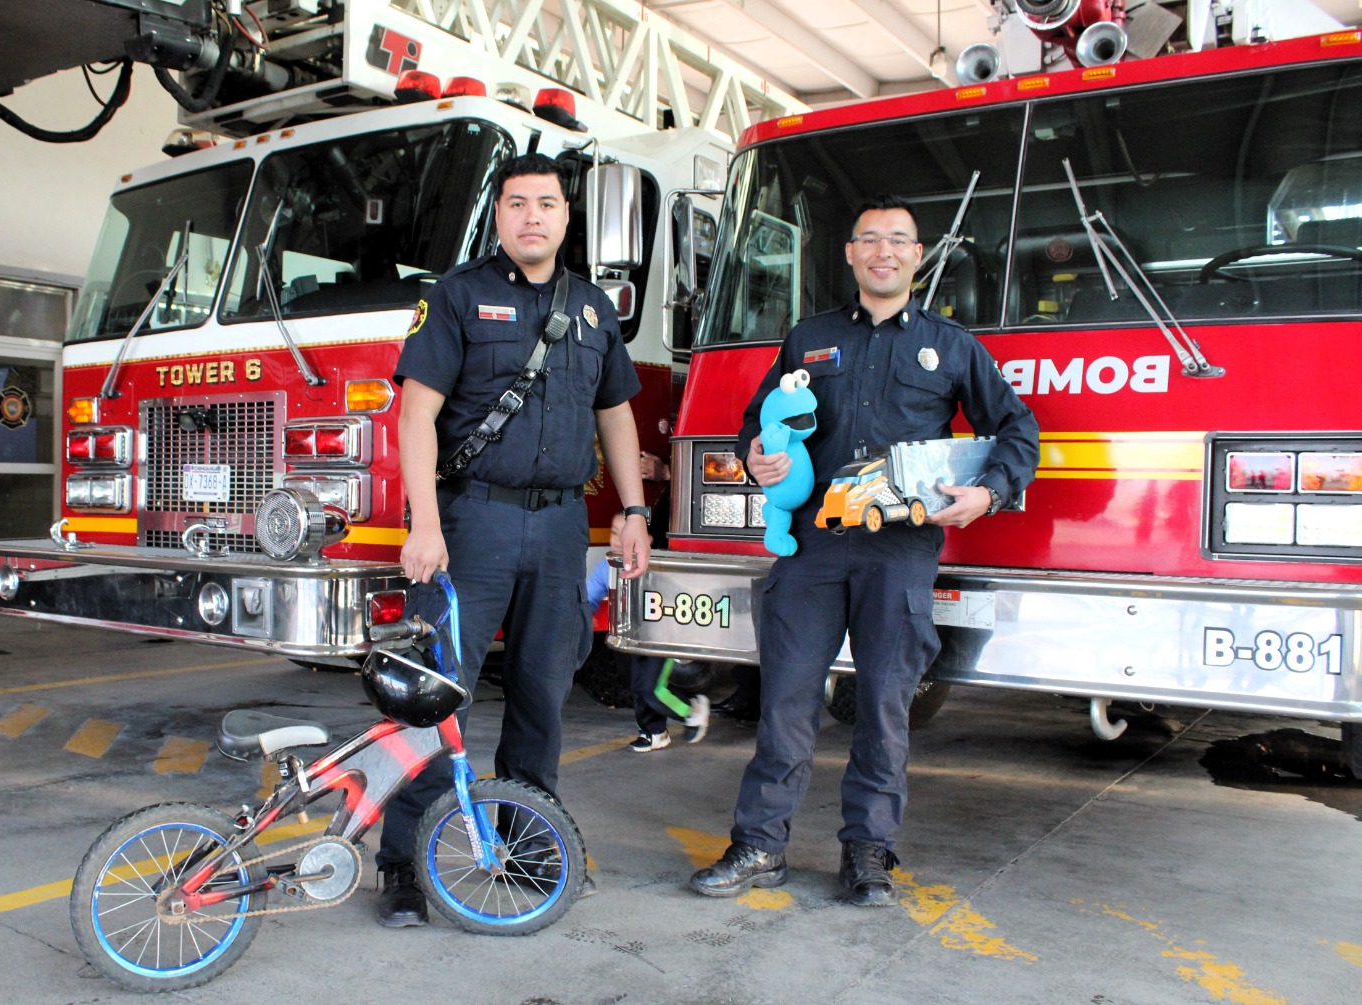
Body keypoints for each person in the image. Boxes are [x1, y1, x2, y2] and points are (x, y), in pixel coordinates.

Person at [688, 194, 1039, 907]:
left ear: (918, 256)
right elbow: (759, 420)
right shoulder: (809, 338)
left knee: (883, 705)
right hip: (812, 546)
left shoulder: (950, 345)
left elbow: (1017, 428)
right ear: (849, 253)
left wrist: (989, 492)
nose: (884, 251)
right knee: (786, 702)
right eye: (870, 239)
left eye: (899, 240)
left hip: (899, 552)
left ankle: (868, 851)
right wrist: (755, 455)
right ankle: (760, 844)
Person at [377, 152, 653, 927]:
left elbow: (616, 414)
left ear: (567, 216)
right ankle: (403, 861)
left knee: (541, 694)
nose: (533, 216)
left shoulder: (593, 308)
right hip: (474, 522)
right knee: (436, 694)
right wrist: (425, 522)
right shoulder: (457, 295)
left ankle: (530, 847)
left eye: (547, 203)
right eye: (517, 202)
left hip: (561, 525)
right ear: (497, 214)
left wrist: (634, 510)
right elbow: (416, 415)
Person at [588, 512, 709, 752]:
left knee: (653, 690)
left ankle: (692, 711)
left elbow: (680, 600)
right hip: (632, 640)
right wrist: (581, 616)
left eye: (626, 535)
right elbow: (590, 596)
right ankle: (654, 733)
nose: (618, 541)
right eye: (614, 533)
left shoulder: (656, 566)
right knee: (638, 689)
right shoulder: (606, 567)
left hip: (660, 640)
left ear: (647, 540)